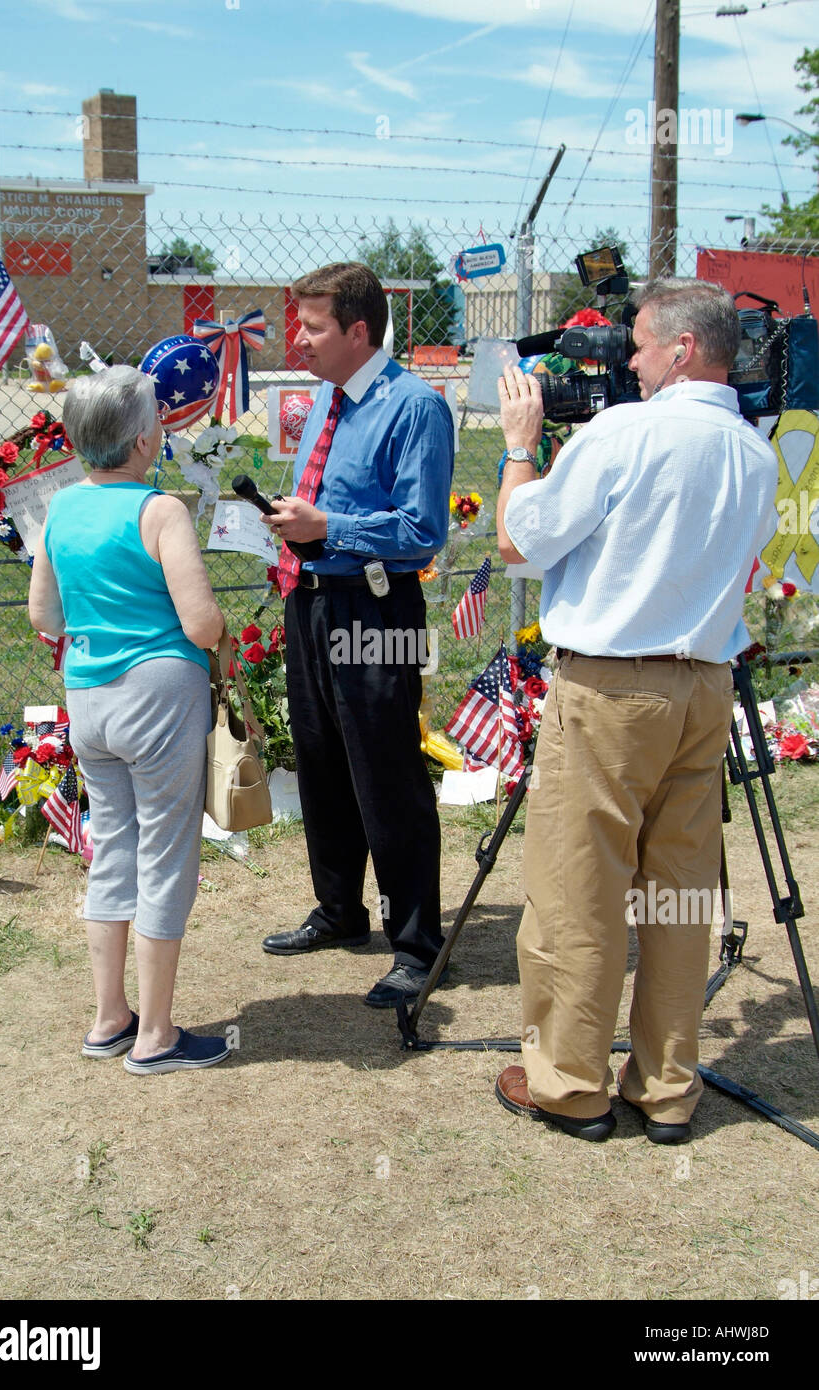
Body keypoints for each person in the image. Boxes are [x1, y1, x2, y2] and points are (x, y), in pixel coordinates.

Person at [493, 278, 778, 1142]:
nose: (632, 362)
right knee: (680, 897)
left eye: (642, 345)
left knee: (580, 889)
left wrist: (519, 446)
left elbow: (517, 540)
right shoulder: (755, 452)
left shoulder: (625, 432)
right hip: (703, 686)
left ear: (683, 349)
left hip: (613, 689)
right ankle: (664, 1087)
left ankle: (571, 1083)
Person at [259, 262, 454, 1007]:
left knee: (386, 769)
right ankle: (341, 910)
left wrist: (329, 527)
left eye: (312, 327)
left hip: (378, 612)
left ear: (358, 330)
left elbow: (421, 531)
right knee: (320, 757)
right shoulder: (326, 402)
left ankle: (418, 944)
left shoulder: (415, 408)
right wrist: (294, 523)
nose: (297, 340)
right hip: (311, 601)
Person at [28, 365, 230, 1075]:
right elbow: (201, 623)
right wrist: (222, 627)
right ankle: (158, 1035)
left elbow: (43, 615)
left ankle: (110, 1015)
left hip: (89, 699)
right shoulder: (160, 511)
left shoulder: (59, 509)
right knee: (167, 856)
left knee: (111, 847)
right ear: (147, 438)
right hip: (158, 695)